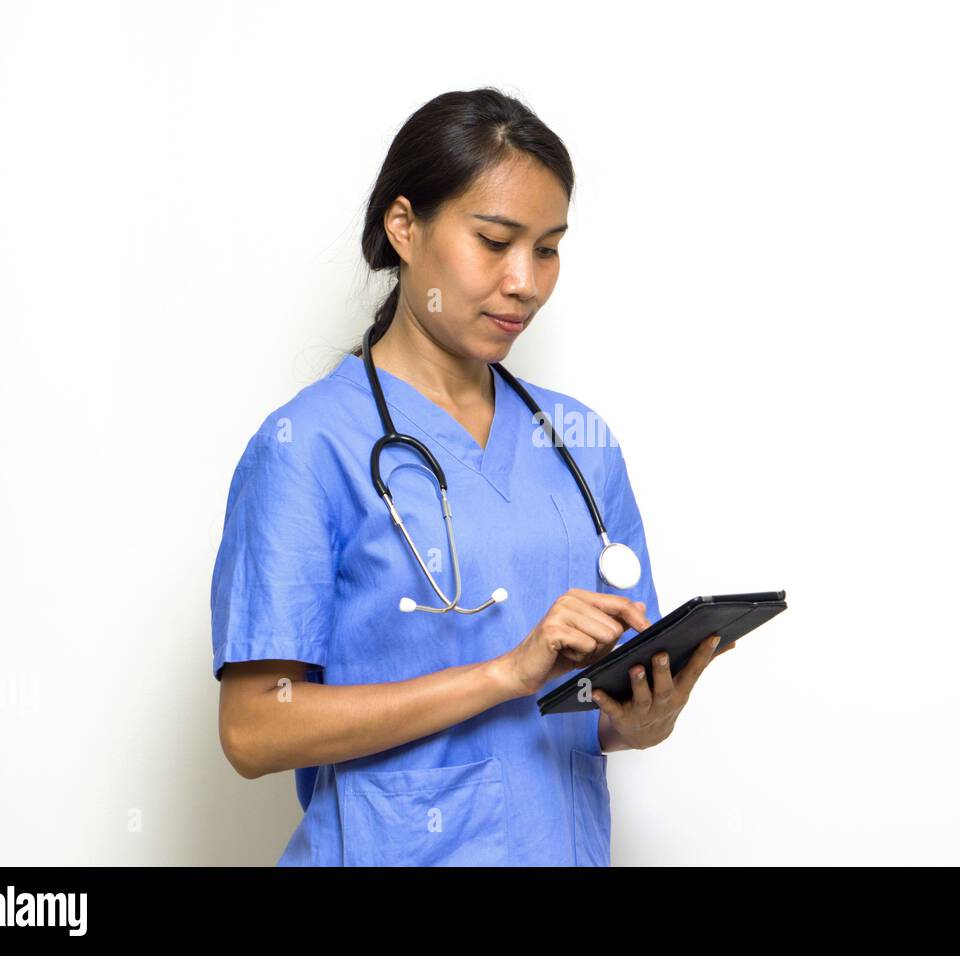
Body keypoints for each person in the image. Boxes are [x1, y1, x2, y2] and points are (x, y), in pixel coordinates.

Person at [210, 88, 735, 866]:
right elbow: (254, 729)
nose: (525, 281)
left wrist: (638, 720)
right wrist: (502, 674)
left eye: (548, 248)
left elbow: (595, 705)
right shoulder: (308, 446)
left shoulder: (579, 446)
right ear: (404, 227)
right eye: (495, 241)